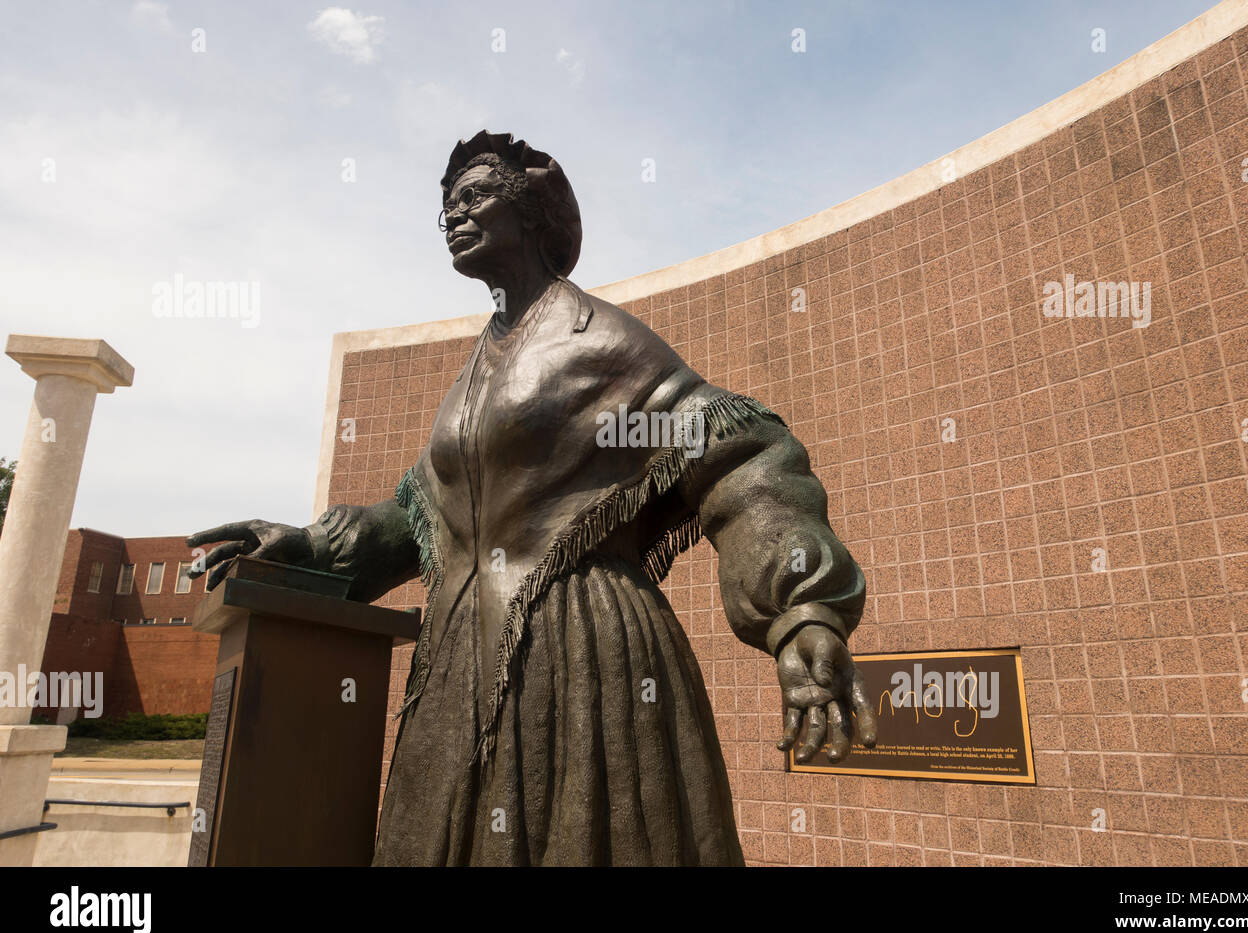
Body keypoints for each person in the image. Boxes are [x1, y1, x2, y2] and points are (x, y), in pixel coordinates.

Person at [189, 130, 876, 865]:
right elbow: (420, 515)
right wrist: (309, 544)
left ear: (531, 216)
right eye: (446, 205)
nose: (454, 214)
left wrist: (802, 607)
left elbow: (736, 452)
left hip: (581, 646)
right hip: (458, 657)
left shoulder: (601, 341)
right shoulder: (473, 371)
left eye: (475, 198)